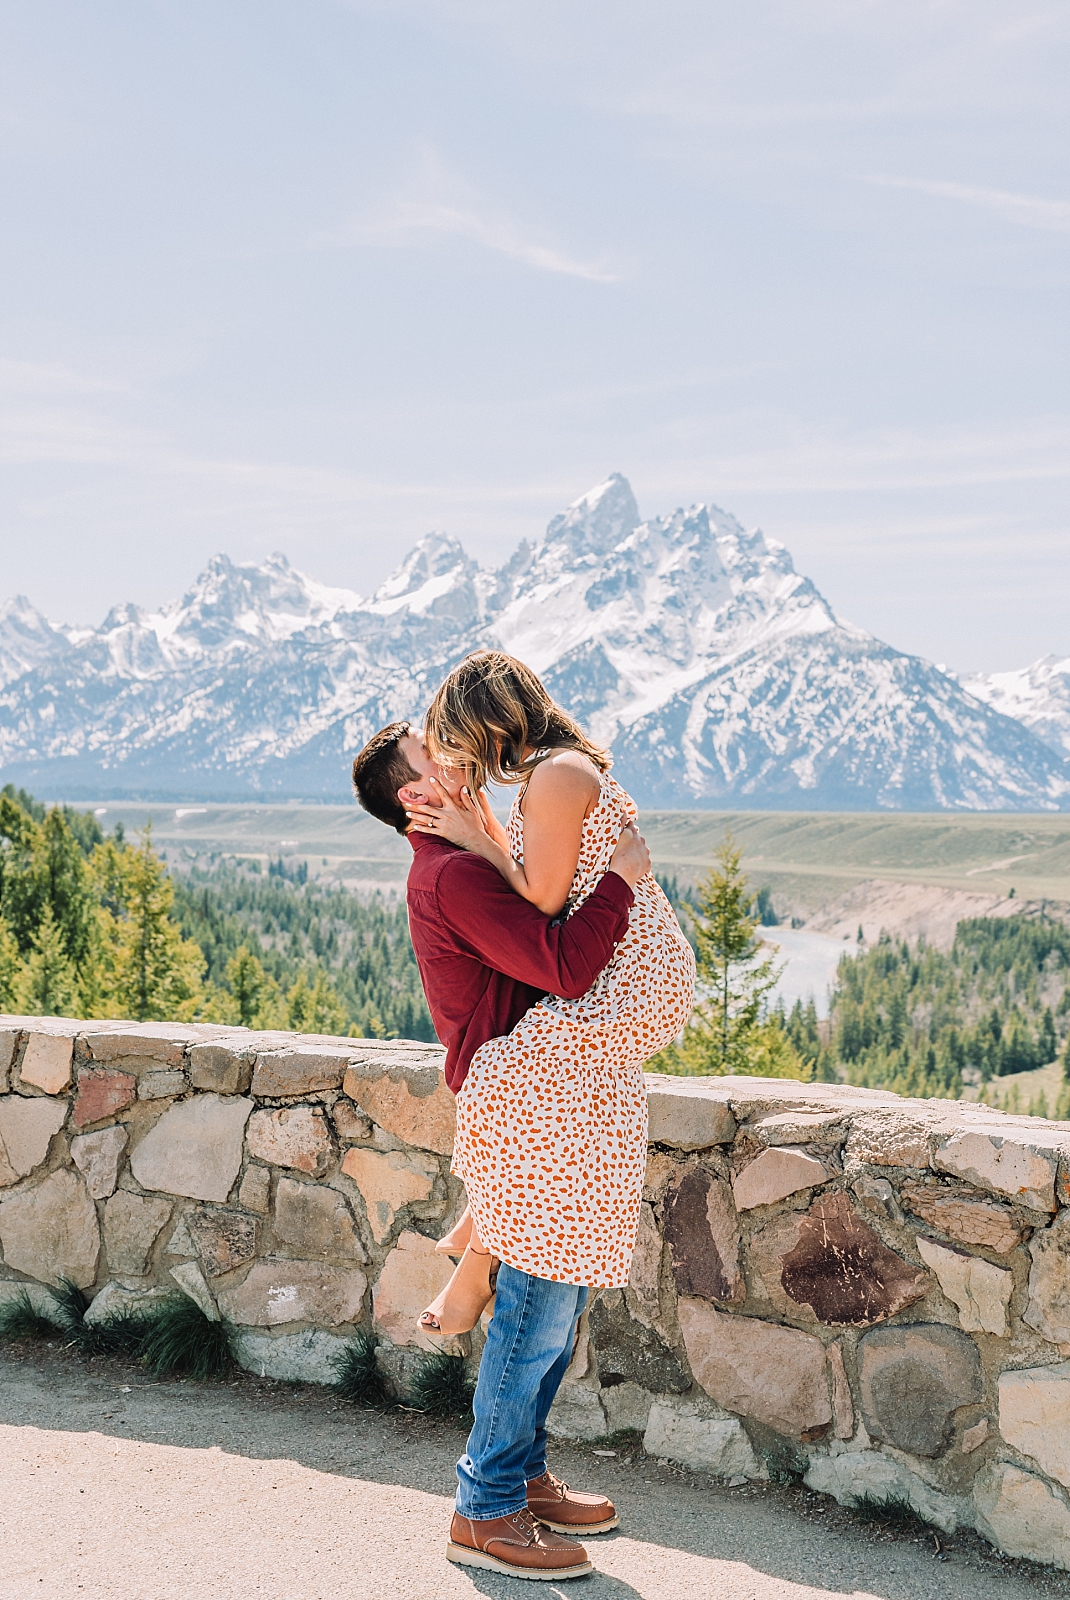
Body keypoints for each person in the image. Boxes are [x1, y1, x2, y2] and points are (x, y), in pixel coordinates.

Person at [351, 717, 653, 1582]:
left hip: (544, 1094)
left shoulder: (464, 859)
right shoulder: (452, 877)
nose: (459, 759)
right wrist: (623, 883)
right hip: (524, 1104)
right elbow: (562, 964)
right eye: (436, 759)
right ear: (415, 797)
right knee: (535, 1308)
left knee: (556, 1310)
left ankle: (518, 1474)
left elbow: (538, 915)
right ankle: (485, 1508)